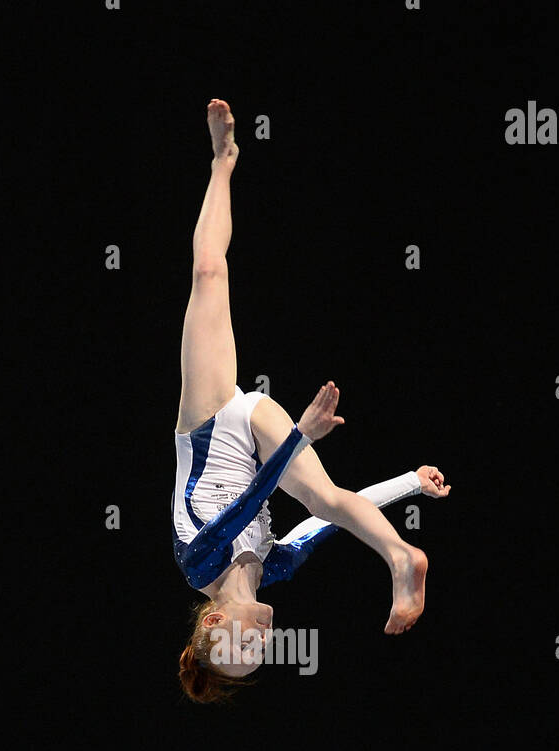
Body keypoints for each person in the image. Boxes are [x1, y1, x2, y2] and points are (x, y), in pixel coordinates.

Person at [175, 99, 451, 702]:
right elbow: (333, 515)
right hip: (259, 438)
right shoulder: (275, 568)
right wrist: (408, 482)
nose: (261, 647)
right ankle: (401, 559)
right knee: (327, 501)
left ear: (215, 623)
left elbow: (249, 503)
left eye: (242, 649)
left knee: (207, 274)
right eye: (260, 659)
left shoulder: (197, 565)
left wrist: (301, 435)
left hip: (207, 424)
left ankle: (222, 162)